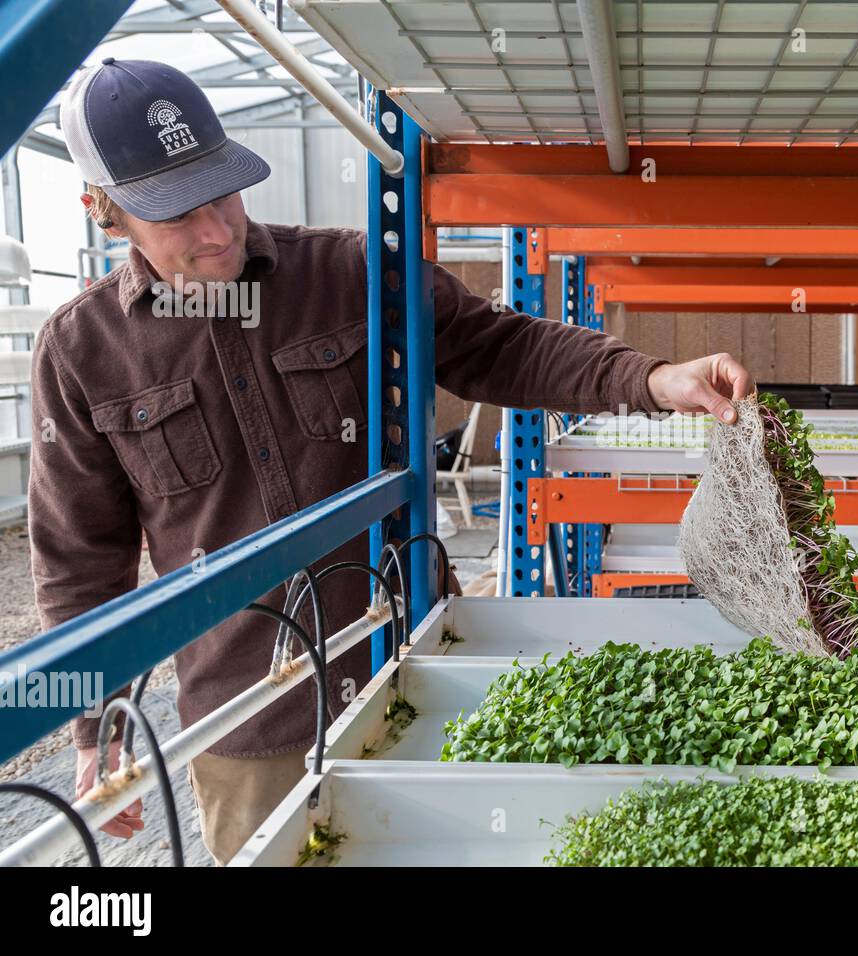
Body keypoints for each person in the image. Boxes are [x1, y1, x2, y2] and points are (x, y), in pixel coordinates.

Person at [30, 58, 753, 865]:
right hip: (248, 725)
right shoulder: (81, 352)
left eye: (224, 193)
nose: (218, 231)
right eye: (178, 215)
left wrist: (652, 379)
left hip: (414, 663)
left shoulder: (345, 272)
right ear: (104, 212)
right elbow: (78, 560)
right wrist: (96, 727)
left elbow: (497, 344)